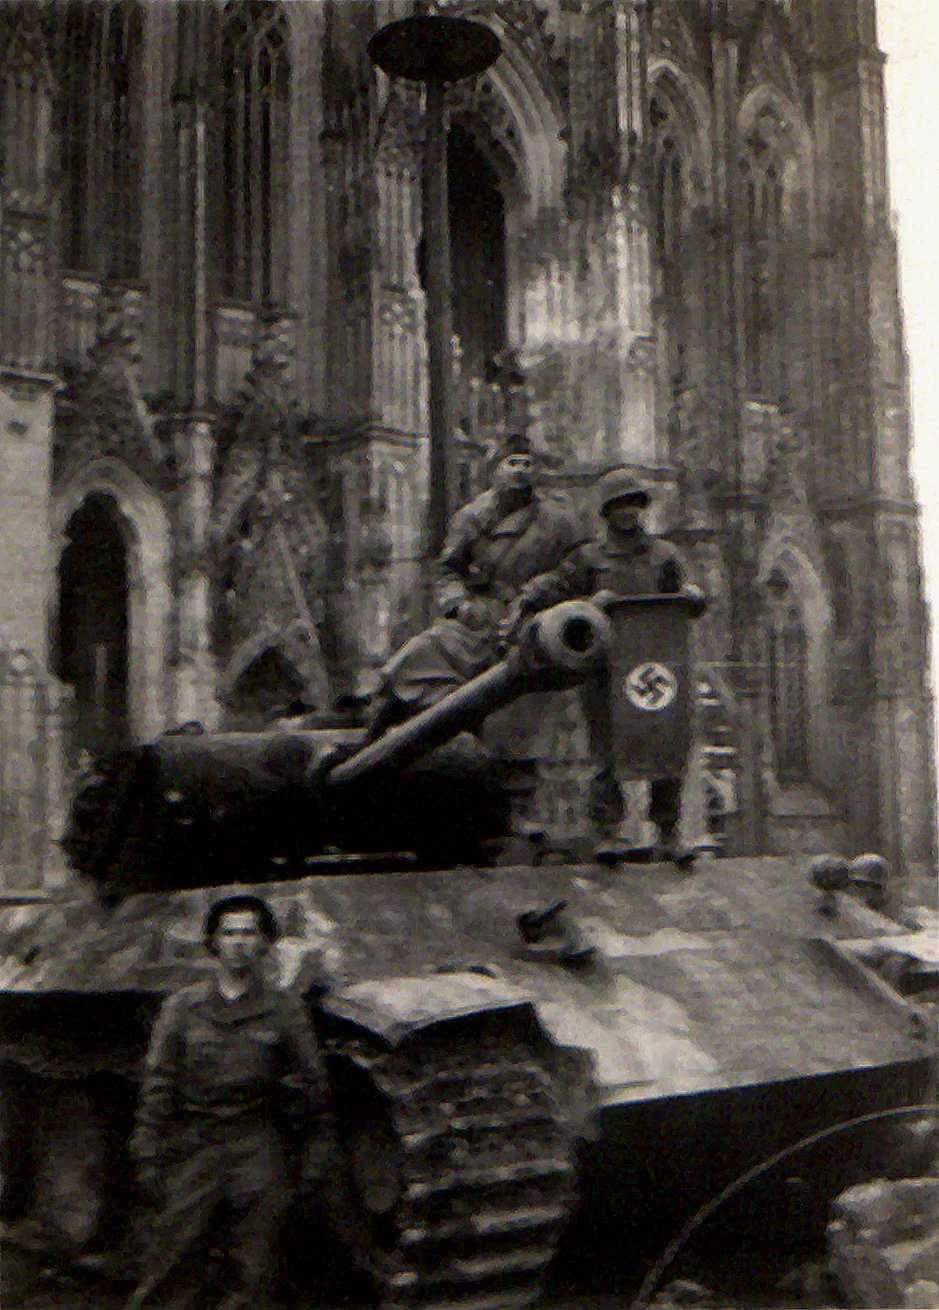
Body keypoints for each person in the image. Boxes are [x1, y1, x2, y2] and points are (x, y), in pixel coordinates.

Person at [126, 894, 335, 1310]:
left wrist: (317, 1150)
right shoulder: (183, 1007)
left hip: (255, 1141)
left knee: (258, 1264)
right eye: (229, 933)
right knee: (173, 1257)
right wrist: (147, 1145)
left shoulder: (283, 1009)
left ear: (265, 943)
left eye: (249, 933)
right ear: (214, 943)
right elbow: (159, 1080)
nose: (239, 943)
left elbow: (314, 1084)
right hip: (196, 1141)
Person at [502, 467, 705, 865]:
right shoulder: (589, 559)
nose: (628, 513)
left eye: (633, 504)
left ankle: (668, 832)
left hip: (655, 666)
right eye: (619, 506)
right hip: (605, 668)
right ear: (607, 512)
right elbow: (555, 592)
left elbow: (686, 598)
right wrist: (587, 604)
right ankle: (608, 832)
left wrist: (694, 596)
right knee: (607, 752)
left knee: (666, 745)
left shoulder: (664, 556)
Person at [367, 433, 588, 737]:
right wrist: (460, 605)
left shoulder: (558, 521)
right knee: (420, 652)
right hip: (481, 619)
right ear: (496, 470)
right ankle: (378, 729)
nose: (520, 470)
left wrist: (541, 590)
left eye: (527, 463)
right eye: (512, 462)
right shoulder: (472, 517)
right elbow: (447, 570)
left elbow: (577, 566)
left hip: (536, 618)